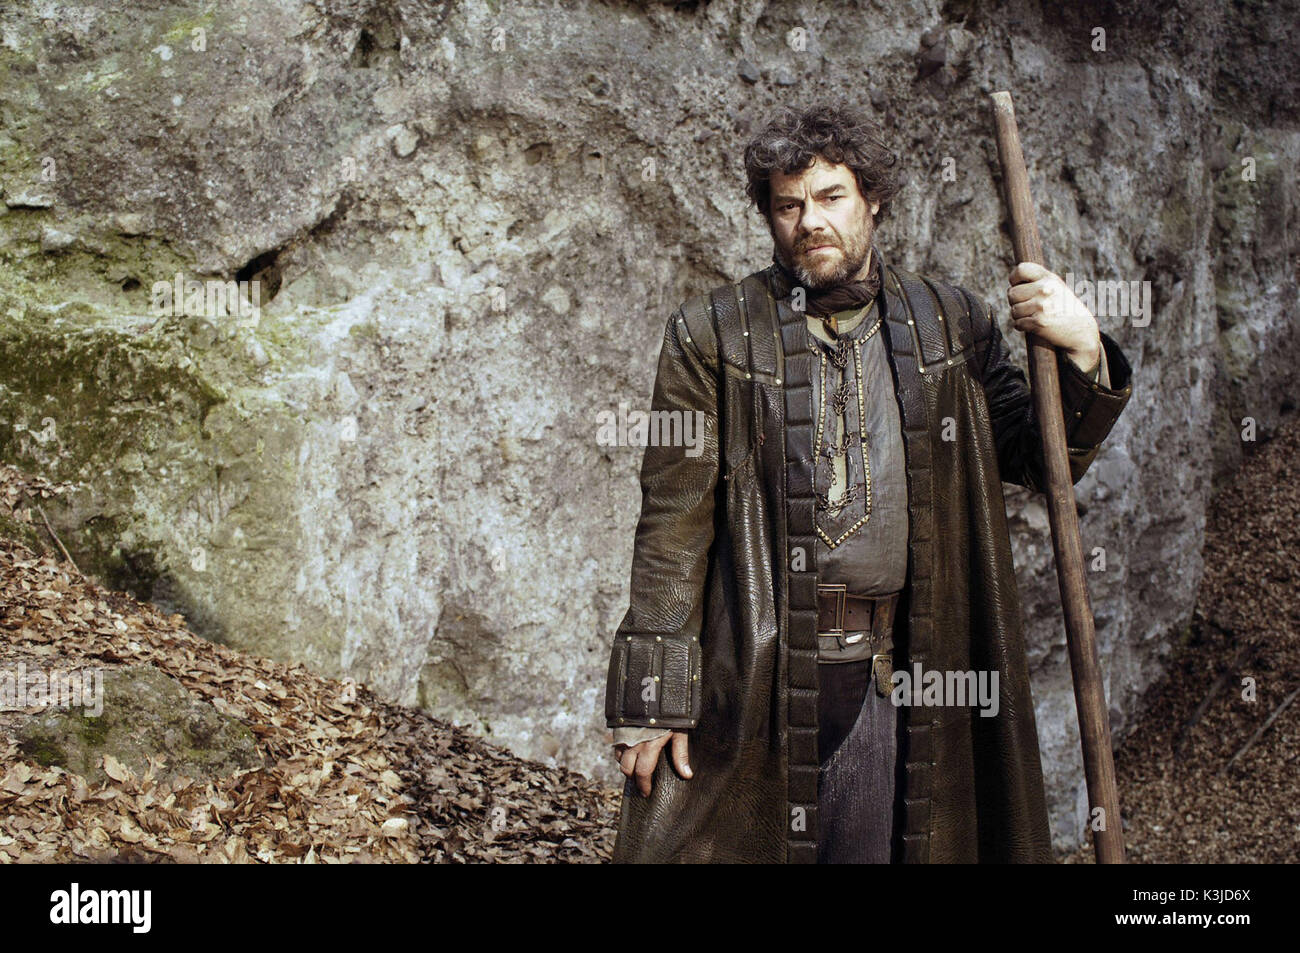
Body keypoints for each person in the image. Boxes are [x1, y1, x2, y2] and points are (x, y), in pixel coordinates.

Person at [602, 101, 1133, 863]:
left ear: (873, 198)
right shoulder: (711, 334)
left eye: (829, 197)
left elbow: (1036, 455)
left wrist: (1084, 349)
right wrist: (654, 696)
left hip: (896, 676)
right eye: (787, 205)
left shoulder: (952, 325)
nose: (808, 222)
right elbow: (671, 520)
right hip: (750, 675)